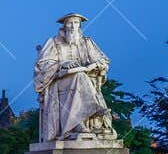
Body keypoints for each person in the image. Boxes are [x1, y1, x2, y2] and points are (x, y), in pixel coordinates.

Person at [33, 13, 116, 142]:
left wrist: (94, 65)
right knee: (79, 76)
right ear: (65, 25)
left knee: (80, 75)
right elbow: (43, 65)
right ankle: (90, 111)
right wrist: (63, 65)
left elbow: (103, 60)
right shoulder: (54, 43)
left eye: (76, 23)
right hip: (59, 81)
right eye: (70, 23)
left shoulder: (86, 42)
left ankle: (80, 121)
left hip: (84, 80)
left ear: (80, 25)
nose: (73, 26)